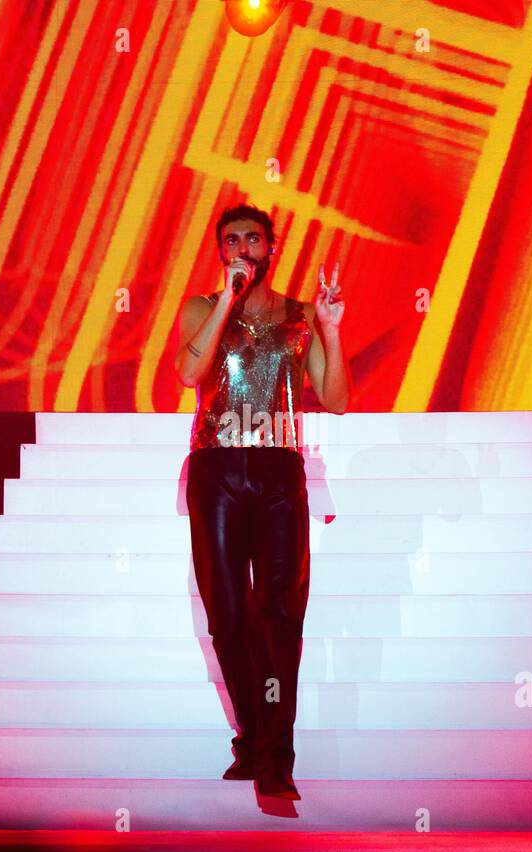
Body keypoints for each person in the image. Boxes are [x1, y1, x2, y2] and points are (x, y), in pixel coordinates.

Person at [173, 203, 349, 800]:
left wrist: (330, 327)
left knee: (278, 612)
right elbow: (189, 375)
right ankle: (255, 737)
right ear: (221, 253)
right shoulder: (203, 308)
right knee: (227, 613)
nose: (242, 247)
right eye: (230, 241)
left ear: (271, 248)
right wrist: (226, 300)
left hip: (277, 469)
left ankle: (277, 755)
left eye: (252, 238)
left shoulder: (300, 317)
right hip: (217, 465)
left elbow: (337, 397)